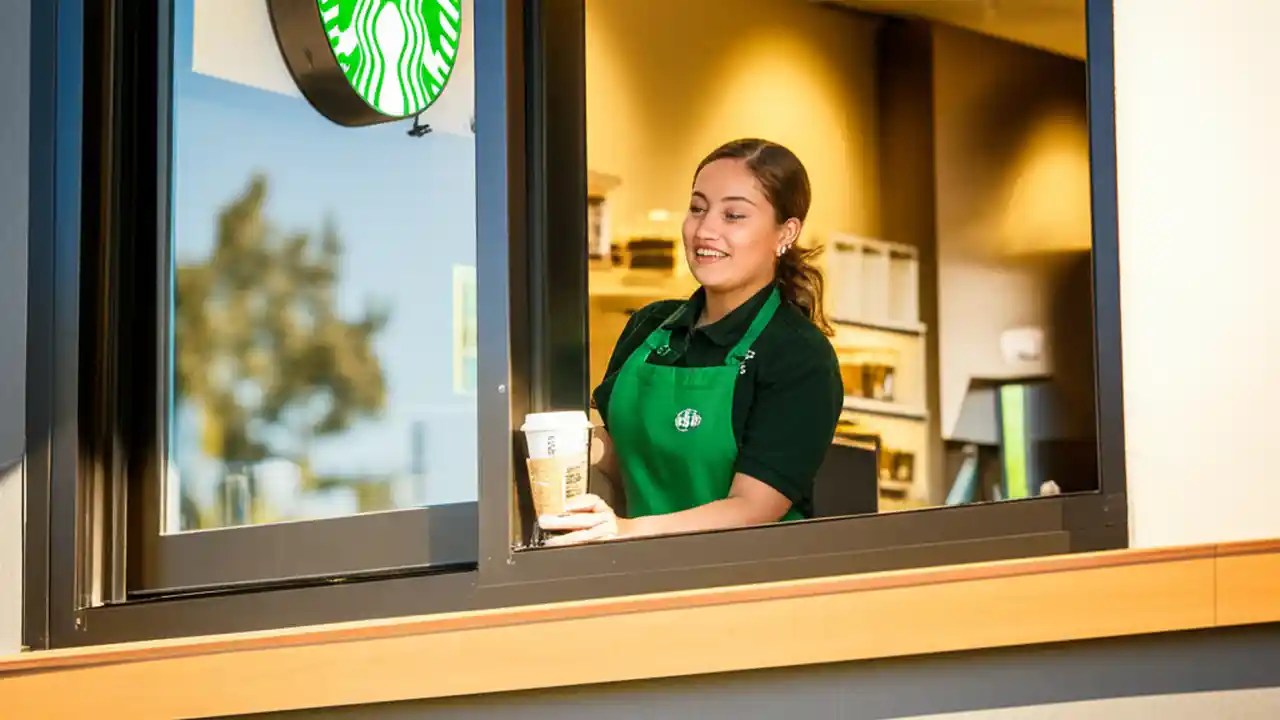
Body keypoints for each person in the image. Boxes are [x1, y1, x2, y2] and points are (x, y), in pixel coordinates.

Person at [540, 138, 844, 546]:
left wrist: (628, 530)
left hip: (747, 583)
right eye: (698, 208)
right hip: (637, 571)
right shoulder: (651, 326)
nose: (706, 230)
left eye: (734, 215)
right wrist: (555, 444)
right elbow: (622, 452)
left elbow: (755, 506)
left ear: (785, 232)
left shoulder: (798, 355)